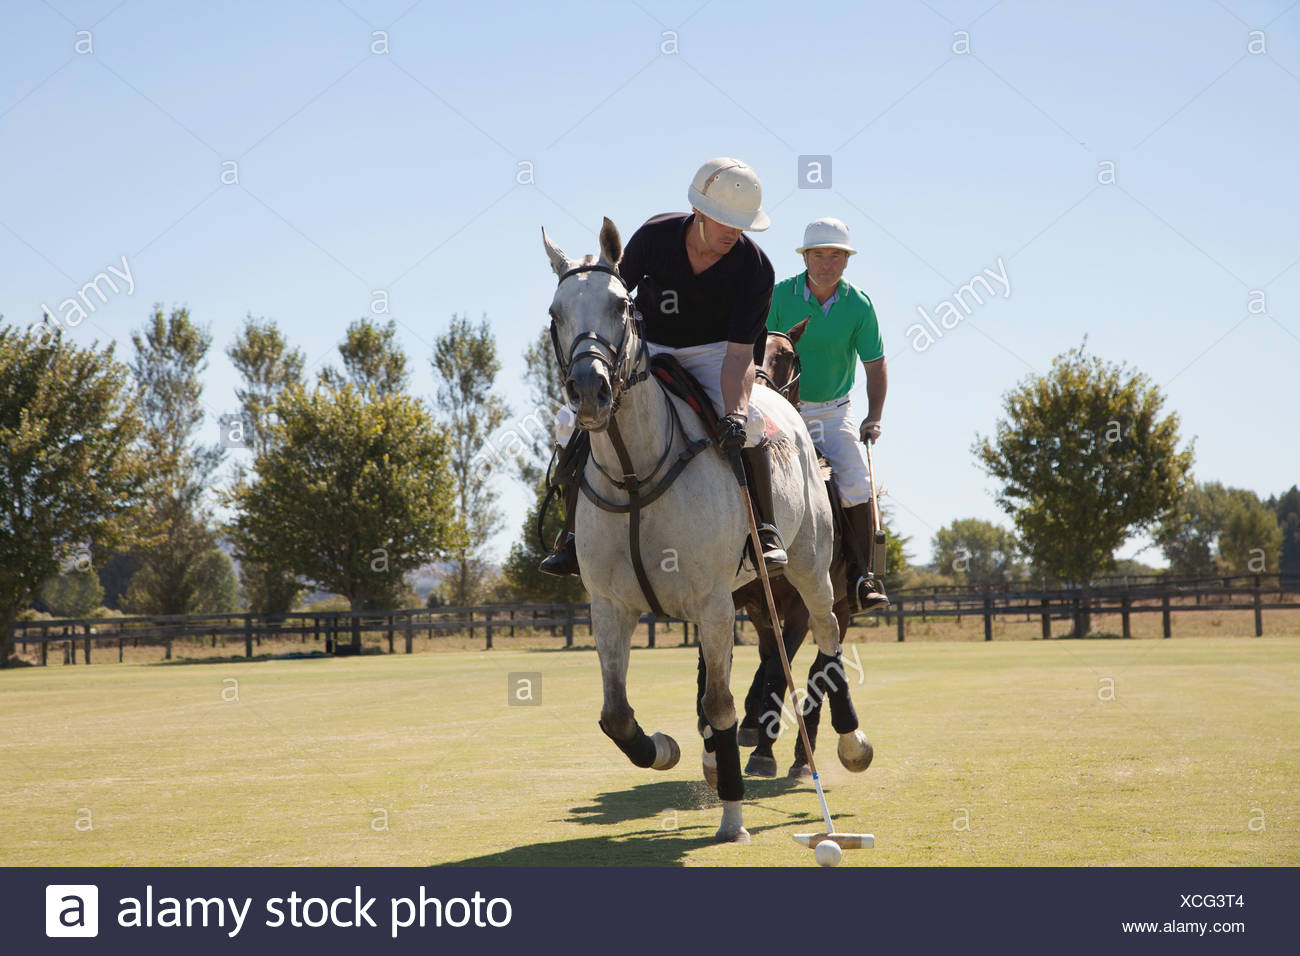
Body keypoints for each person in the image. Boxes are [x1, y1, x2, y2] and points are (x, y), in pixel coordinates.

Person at [540, 157, 782, 576]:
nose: (732, 232)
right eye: (724, 220)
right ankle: (574, 536)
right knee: (567, 423)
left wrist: (735, 415)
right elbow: (614, 295)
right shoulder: (655, 237)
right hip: (649, 349)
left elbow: (741, 355)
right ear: (699, 212)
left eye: (741, 223)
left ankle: (764, 530)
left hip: (716, 354)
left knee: (756, 424)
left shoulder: (756, 269)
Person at [766, 217, 889, 611]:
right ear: (805, 257)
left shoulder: (859, 306)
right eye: (818, 254)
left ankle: (860, 576)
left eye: (836, 255)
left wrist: (874, 416)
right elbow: (755, 351)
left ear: (847, 261)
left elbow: (875, 363)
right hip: (782, 411)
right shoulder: (778, 296)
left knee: (857, 483)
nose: (826, 263)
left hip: (834, 414)